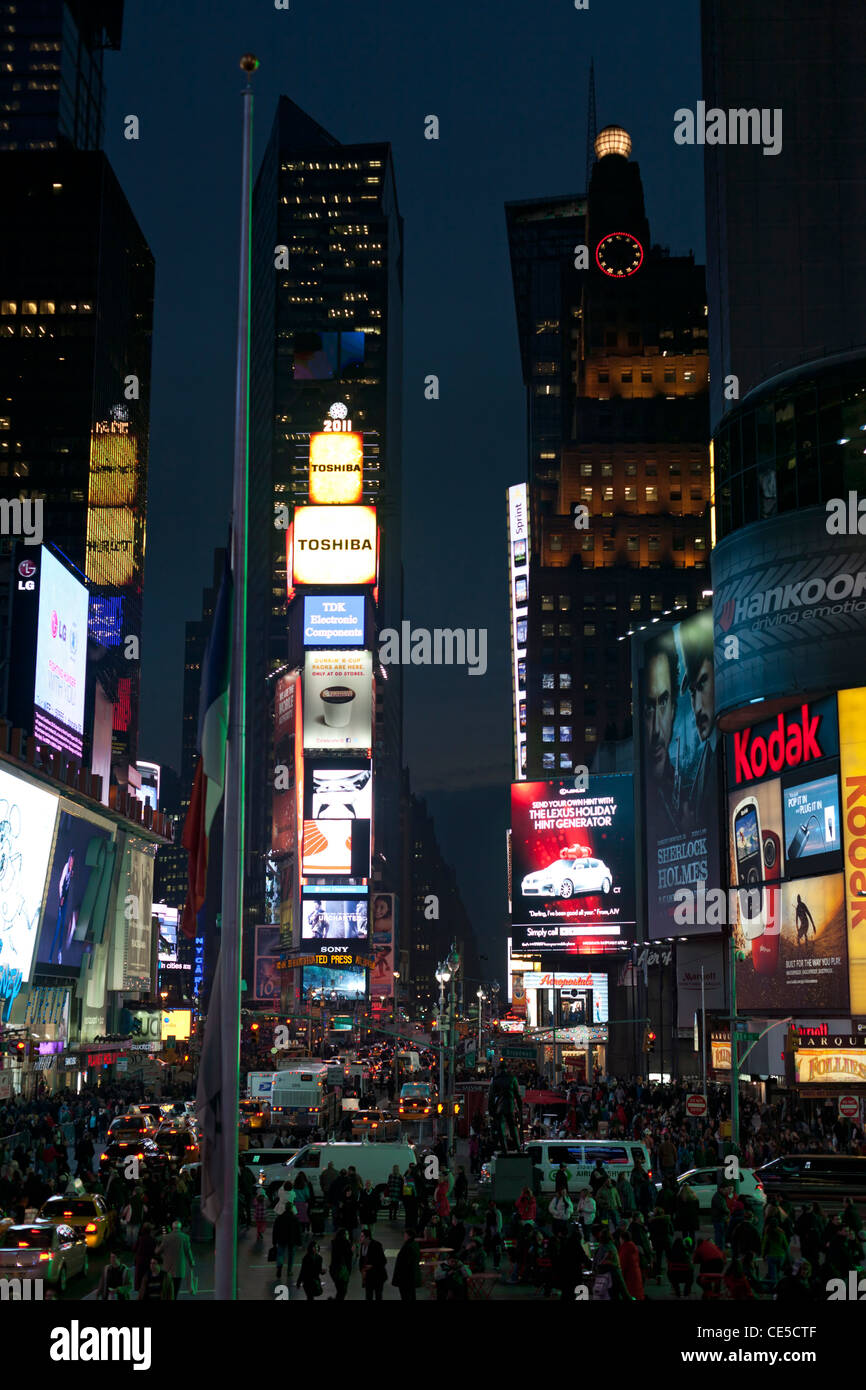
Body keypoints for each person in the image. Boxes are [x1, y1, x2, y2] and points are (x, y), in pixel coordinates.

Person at [157, 1220, 195, 1300]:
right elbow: (188, 1252)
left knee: (166, 1289)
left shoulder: (166, 1237)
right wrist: (191, 1262)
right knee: (175, 1289)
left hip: (167, 1268)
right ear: (180, 1227)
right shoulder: (185, 1237)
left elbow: (158, 1251)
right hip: (179, 1268)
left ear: (172, 1227)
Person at [273, 1201, 302, 1282]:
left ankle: (279, 1266)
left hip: (281, 1238)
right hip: (291, 1239)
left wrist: (274, 1241)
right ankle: (289, 1270)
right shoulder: (294, 1218)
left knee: (280, 1254)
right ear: (291, 1208)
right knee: (291, 1255)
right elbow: (298, 1231)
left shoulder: (280, 1218)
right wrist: (299, 1242)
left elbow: (275, 1230)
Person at [392, 1227, 422, 1301]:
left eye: (405, 1235)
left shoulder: (408, 1246)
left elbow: (405, 1263)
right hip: (410, 1277)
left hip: (405, 1278)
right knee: (411, 1294)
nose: (404, 1236)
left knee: (406, 1295)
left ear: (409, 1236)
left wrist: (400, 1275)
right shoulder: (414, 1245)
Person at [358, 1226, 388, 1301]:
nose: (360, 1238)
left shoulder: (376, 1245)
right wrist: (362, 1270)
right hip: (368, 1276)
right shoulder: (362, 1246)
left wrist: (372, 1266)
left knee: (378, 1295)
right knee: (368, 1296)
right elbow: (362, 1260)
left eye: (362, 1236)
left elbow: (383, 1261)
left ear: (367, 1237)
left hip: (378, 1275)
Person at [616, 1227, 645, 1300]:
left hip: (629, 1277)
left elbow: (622, 1265)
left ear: (623, 1239)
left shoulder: (625, 1249)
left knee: (631, 1294)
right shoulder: (633, 1246)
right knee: (637, 1294)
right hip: (636, 1274)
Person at [329, 1226, 354, 1301]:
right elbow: (348, 1256)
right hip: (342, 1270)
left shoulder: (334, 1243)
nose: (348, 1235)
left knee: (340, 1290)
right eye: (346, 1234)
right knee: (342, 1291)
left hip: (334, 1270)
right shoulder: (346, 1243)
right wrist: (351, 1250)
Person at [668, 1235, 694, 1299]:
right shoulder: (685, 1254)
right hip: (686, 1276)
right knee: (690, 1273)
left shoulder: (671, 1254)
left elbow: (669, 1266)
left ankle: (677, 1291)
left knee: (670, 1272)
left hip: (674, 1277)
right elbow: (690, 1267)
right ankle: (686, 1292)